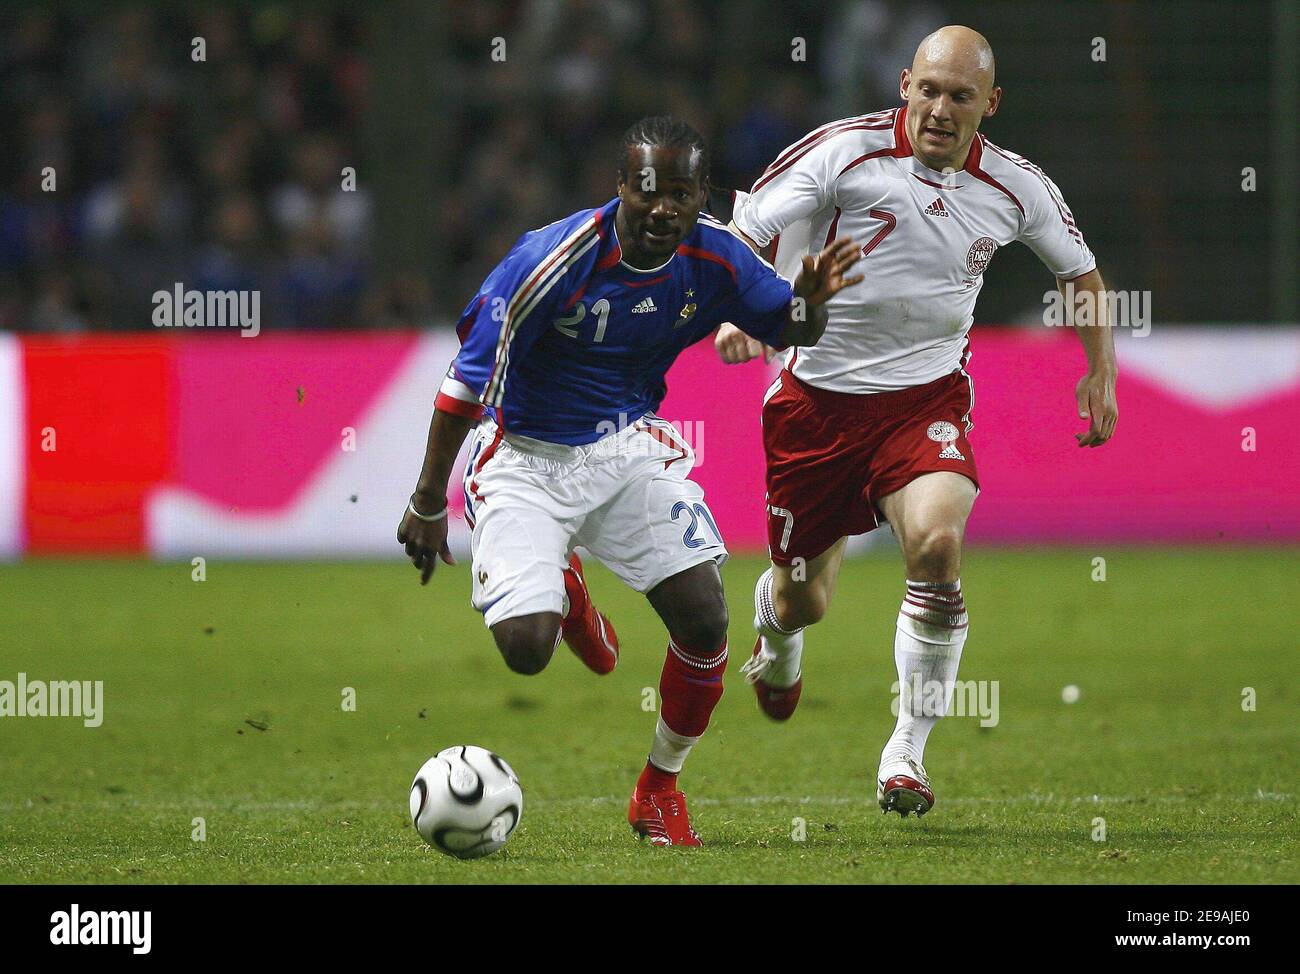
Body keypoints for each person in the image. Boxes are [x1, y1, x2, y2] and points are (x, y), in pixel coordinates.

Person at [398, 116, 862, 845]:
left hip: (625, 453)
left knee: (706, 618)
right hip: (525, 459)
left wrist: (811, 301)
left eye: (679, 192)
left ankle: (658, 789)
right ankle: (567, 594)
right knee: (526, 649)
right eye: (646, 189)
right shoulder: (550, 260)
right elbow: (463, 388)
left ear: (699, 196)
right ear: (620, 188)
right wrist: (428, 500)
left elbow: (787, 327)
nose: (661, 208)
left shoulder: (718, 258)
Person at [715, 26, 1119, 816]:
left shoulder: (1017, 187)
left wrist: (1099, 369)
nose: (940, 109)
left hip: (924, 401)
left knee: (936, 545)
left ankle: (906, 750)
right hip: (816, 405)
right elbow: (750, 230)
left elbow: (1082, 274)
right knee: (807, 599)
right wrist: (749, 308)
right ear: (904, 84)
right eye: (928, 90)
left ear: (989, 105)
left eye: (960, 97)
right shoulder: (843, 152)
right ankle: (780, 635)